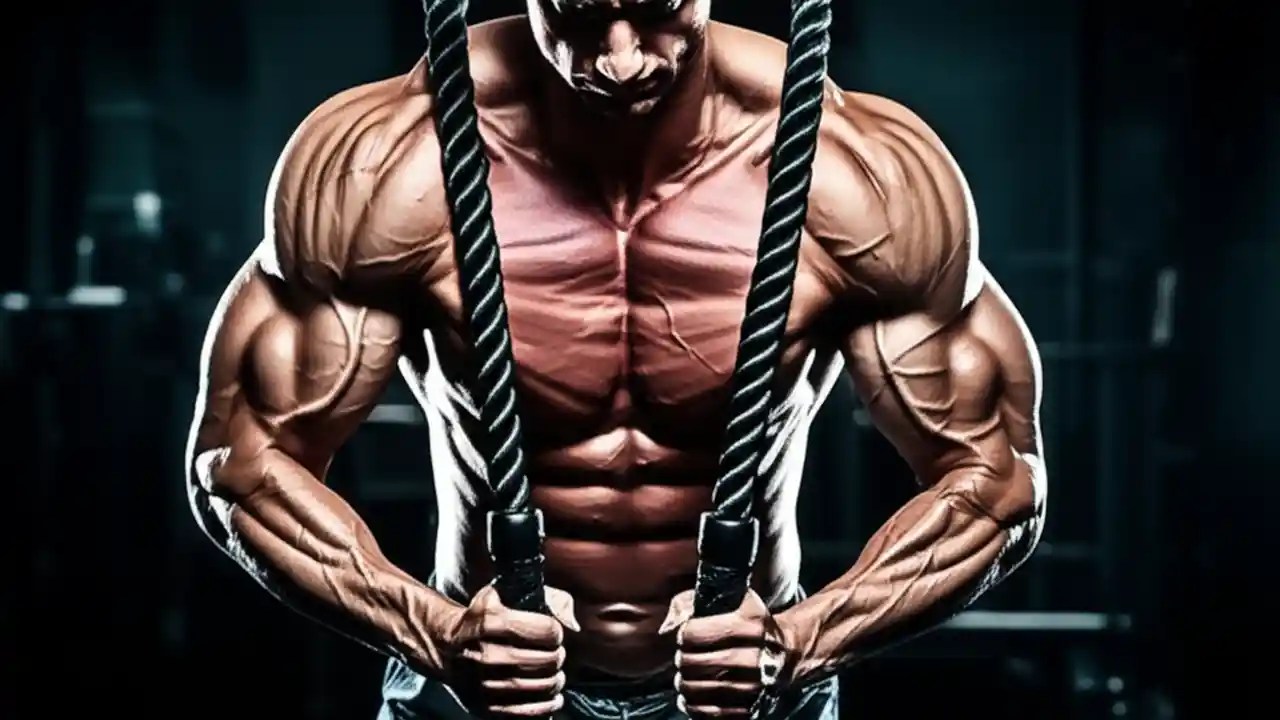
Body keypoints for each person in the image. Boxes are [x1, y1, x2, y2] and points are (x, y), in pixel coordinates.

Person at [185, 1, 1047, 718]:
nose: (624, 60)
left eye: (659, 10)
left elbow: (998, 479)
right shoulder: (388, 164)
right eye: (582, 15)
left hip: (753, 688)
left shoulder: (849, 171)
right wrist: (430, 631)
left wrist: (803, 642)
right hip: (473, 684)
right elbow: (240, 464)